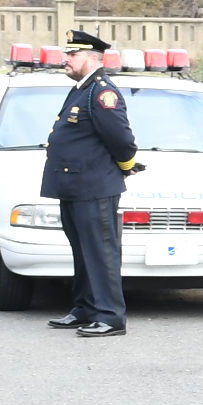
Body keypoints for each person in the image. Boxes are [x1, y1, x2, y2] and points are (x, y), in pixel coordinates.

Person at [41, 27, 141, 339]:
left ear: (93, 58)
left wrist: (126, 166)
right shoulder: (81, 89)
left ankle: (110, 316)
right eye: (67, 53)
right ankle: (84, 308)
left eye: (73, 54)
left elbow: (121, 139)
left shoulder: (102, 93)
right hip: (74, 186)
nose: (66, 59)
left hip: (95, 187)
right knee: (83, 251)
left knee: (100, 253)